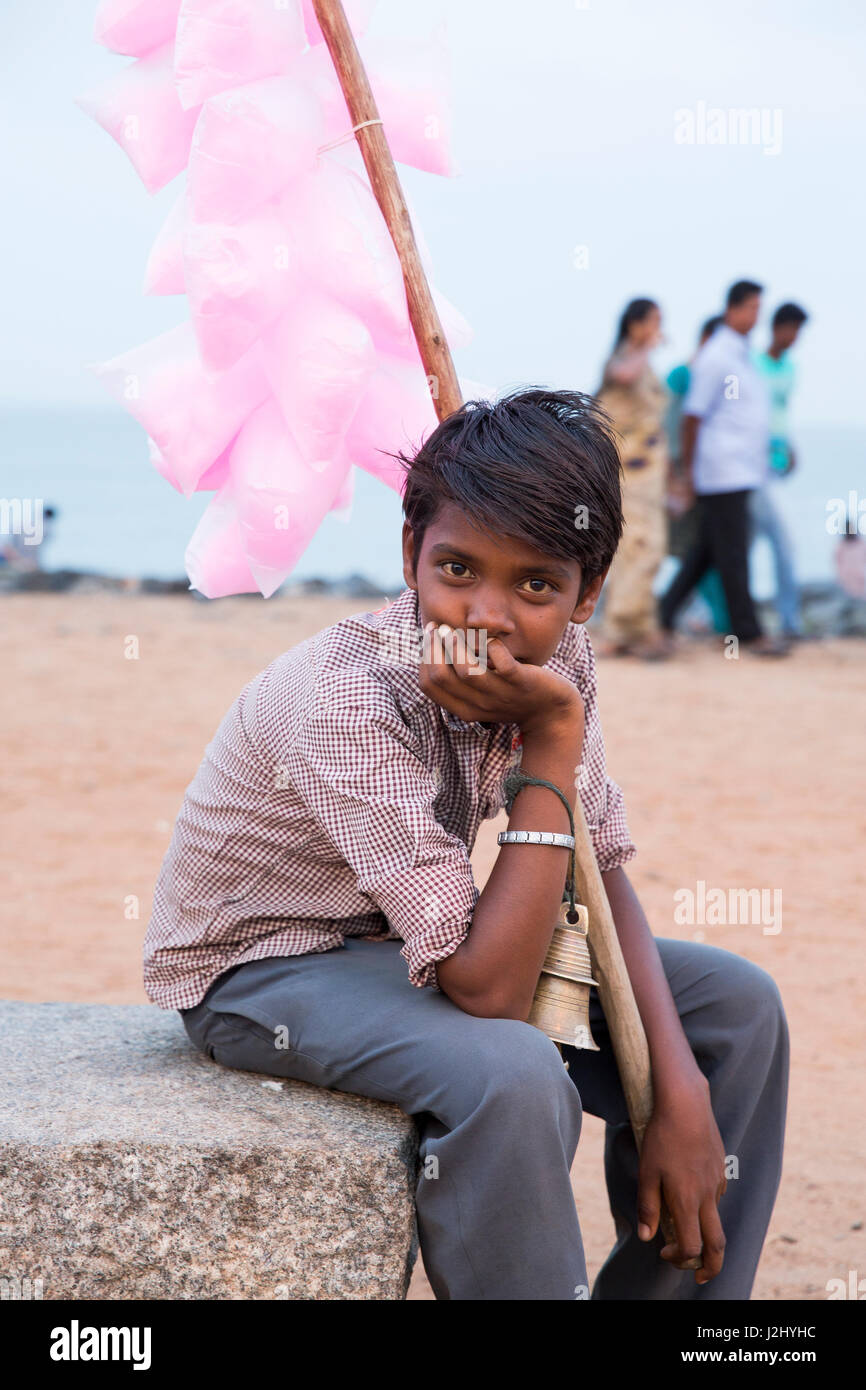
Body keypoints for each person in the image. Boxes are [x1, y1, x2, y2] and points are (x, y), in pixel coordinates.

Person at [144, 388, 788, 1300]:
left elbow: (595, 871)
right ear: (411, 554)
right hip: (265, 967)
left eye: (535, 585)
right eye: (456, 569)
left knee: (734, 1010)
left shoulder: (557, 665)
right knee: (510, 1073)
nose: (487, 615)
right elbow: (487, 993)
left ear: (587, 593)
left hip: (408, 941)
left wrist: (678, 1089)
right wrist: (552, 745)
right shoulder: (346, 699)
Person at [659, 281, 787, 656]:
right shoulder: (717, 356)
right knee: (732, 552)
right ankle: (748, 632)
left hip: (741, 469)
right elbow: (692, 417)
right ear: (732, 310)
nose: (756, 316)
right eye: (750, 308)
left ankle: (664, 614)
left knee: (710, 550)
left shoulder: (741, 355)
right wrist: (691, 472)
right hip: (722, 470)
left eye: (759, 308)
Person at [595, 299, 672, 659]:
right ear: (634, 324)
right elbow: (622, 376)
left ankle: (633, 629)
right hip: (630, 471)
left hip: (648, 475)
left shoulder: (644, 364)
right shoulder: (624, 359)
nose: (658, 327)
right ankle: (622, 630)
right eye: (653, 321)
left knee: (646, 547)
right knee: (638, 547)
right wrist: (645, 346)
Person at [665, 316, 730, 635]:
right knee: (691, 550)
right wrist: (677, 478)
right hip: (682, 472)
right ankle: (716, 623)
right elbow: (669, 425)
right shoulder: (684, 375)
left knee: (702, 551)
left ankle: (715, 622)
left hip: (704, 476)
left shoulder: (707, 376)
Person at [751, 303, 809, 638]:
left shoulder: (790, 368)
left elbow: (781, 413)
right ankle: (789, 623)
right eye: (793, 330)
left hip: (774, 467)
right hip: (751, 470)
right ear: (778, 327)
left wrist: (789, 446)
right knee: (781, 542)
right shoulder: (753, 365)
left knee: (748, 543)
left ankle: (781, 620)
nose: (795, 338)